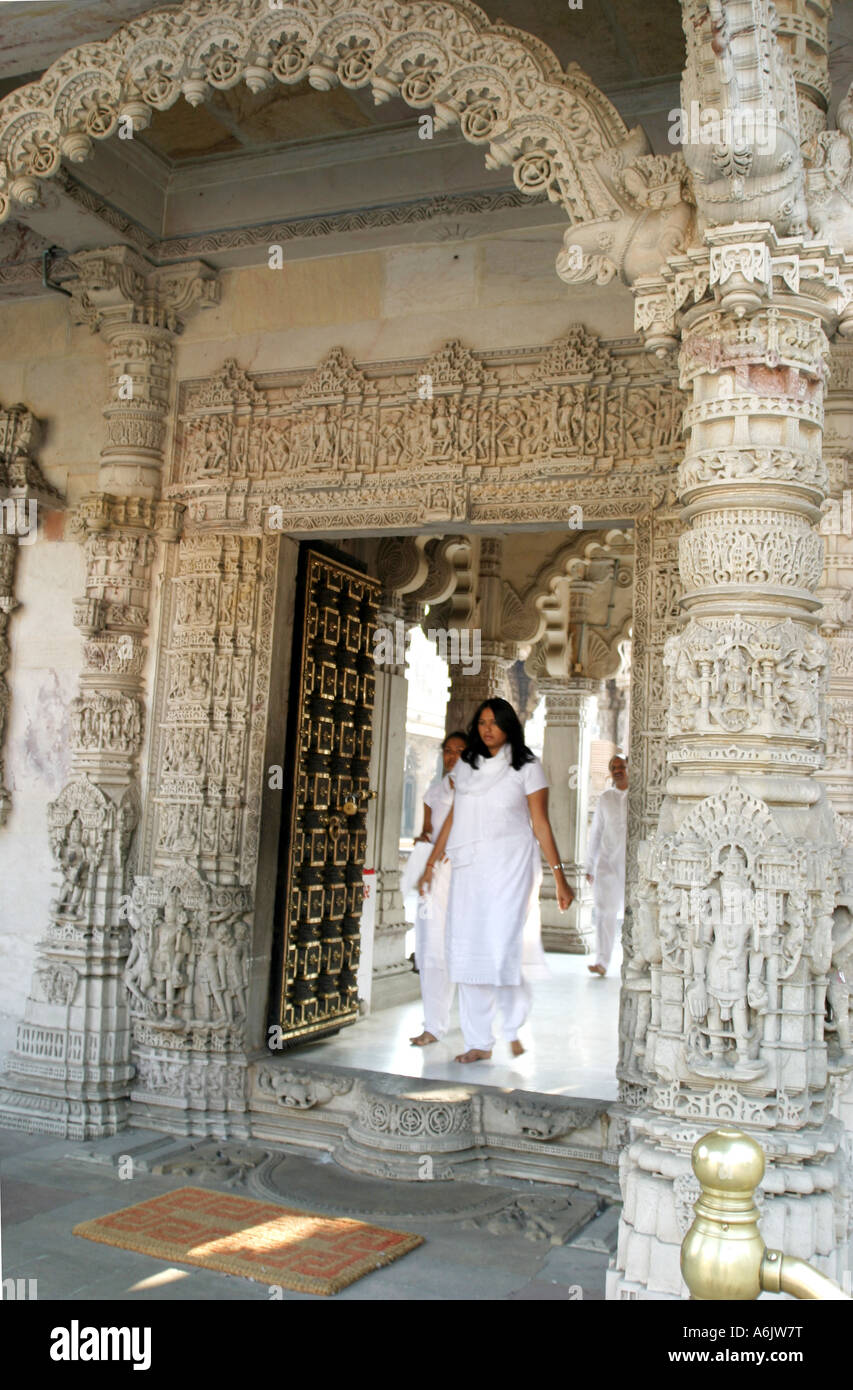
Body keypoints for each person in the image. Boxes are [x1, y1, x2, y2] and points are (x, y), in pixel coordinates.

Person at [418, 699, 573, 1063]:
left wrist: (560, 877)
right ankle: (479, 1042)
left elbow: (541, 823)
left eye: (494, 722)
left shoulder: (527, 767)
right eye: (482, 722)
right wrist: (431, 863)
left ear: (508, 726)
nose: (487, 728)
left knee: (501, 947)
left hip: (511, 868)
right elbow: (454, 817)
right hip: (470, 869)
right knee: (468, 948)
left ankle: (513, 1026)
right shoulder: (467, 766)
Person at [408, 731, 467, 1047]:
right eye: (448, 750)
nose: (452, 756)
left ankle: (478, 1028)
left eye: (460, 750)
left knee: (464, 949)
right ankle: (433, 1025)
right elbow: (428, 831)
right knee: (431, 947)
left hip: (467, 878)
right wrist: (423, 841)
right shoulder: (433, 793)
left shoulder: (479, 792)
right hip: (434, 878)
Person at [585, 754, 628, 977]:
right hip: (607, 863)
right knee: (604, 912)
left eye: (621, 766)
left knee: (636, 912)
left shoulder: (637, 796)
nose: (618, 770)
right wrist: (589, 866)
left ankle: (634, 961)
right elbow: (596, 832)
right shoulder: (605, 798)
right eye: (614, 767)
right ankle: (602, 961)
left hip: (631, 865)